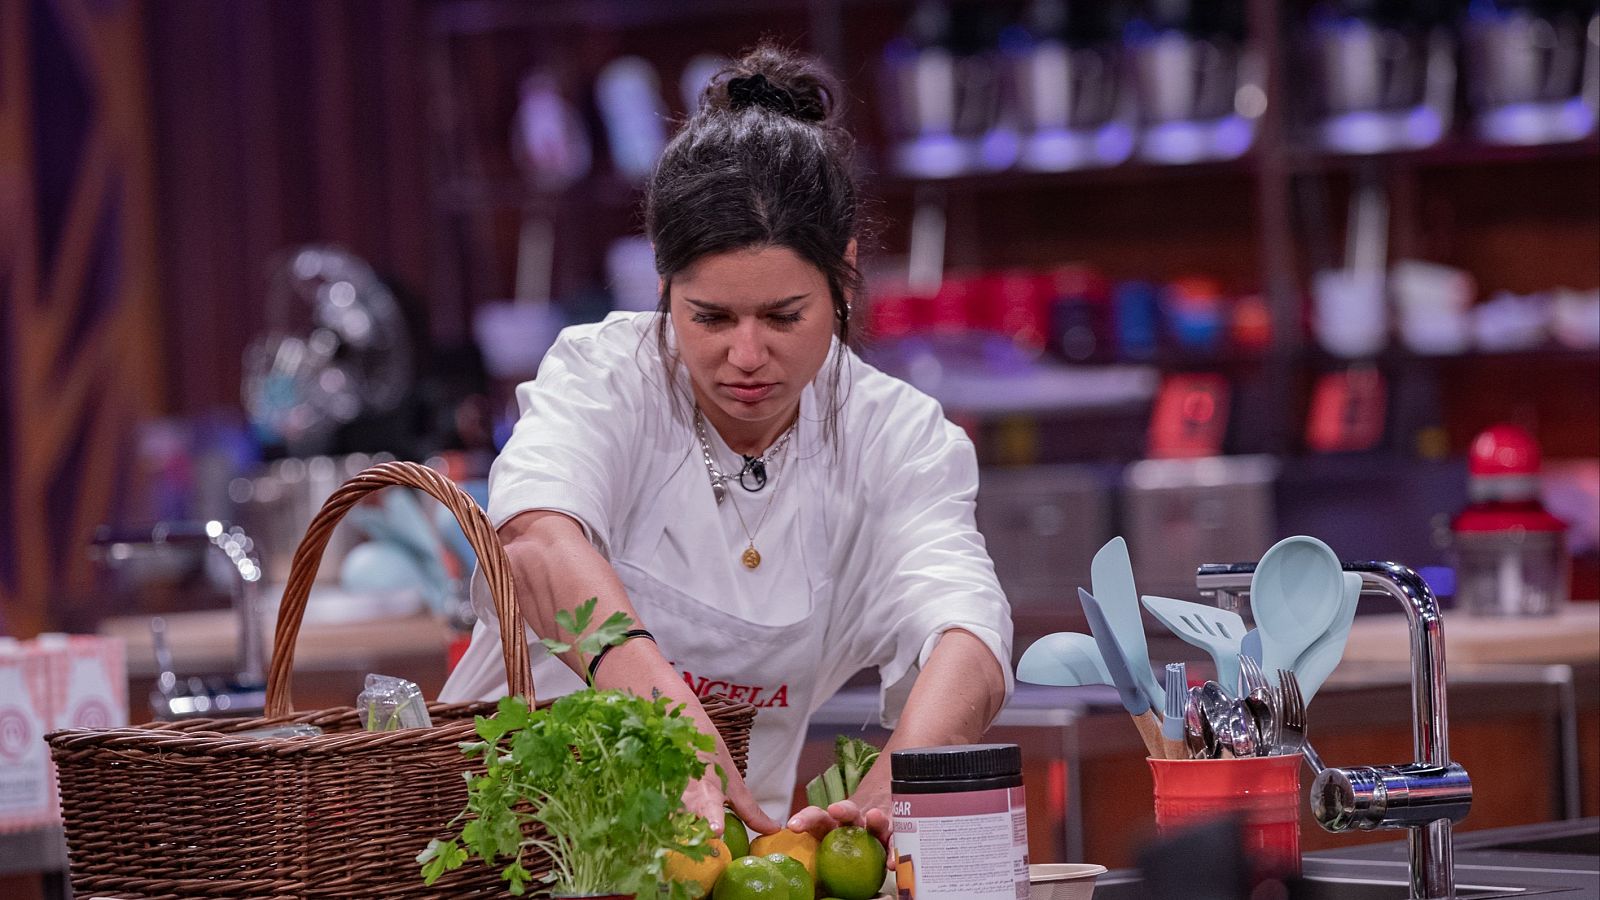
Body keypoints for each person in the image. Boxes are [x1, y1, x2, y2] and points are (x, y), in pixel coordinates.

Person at [440, 45, 1013, 847]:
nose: (746, 356)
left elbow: (967, 636)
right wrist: (668, 713)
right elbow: (536, 541)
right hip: (508, 853)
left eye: (784, 317)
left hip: (720, 862)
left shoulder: (897, 438)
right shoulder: (605, 376)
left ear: (844, 277)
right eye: (710, 317)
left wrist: (897, 792)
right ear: (662, 281)